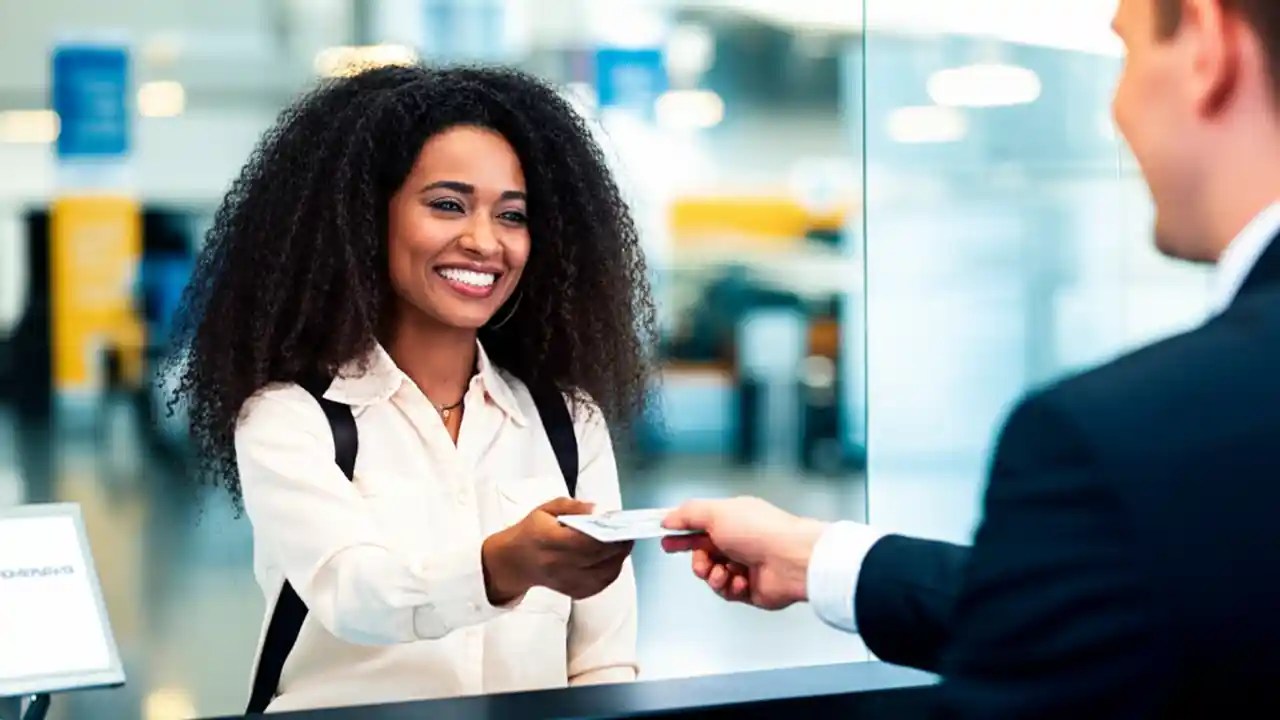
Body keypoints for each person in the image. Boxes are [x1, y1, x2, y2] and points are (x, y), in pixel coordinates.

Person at [663, 0, 1280, 716]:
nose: (1116, 111)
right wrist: (822, 560)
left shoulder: (1112, 440)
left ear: (1207, 47)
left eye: (1128, 54)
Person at [171, 64, 656, 713]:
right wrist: (499, 565)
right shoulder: (292, 418)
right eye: (448, 205)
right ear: (368, 219)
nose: (485, 241)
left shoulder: (568, 422)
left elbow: (603, 657)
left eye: (511, 215)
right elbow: (352, 591)